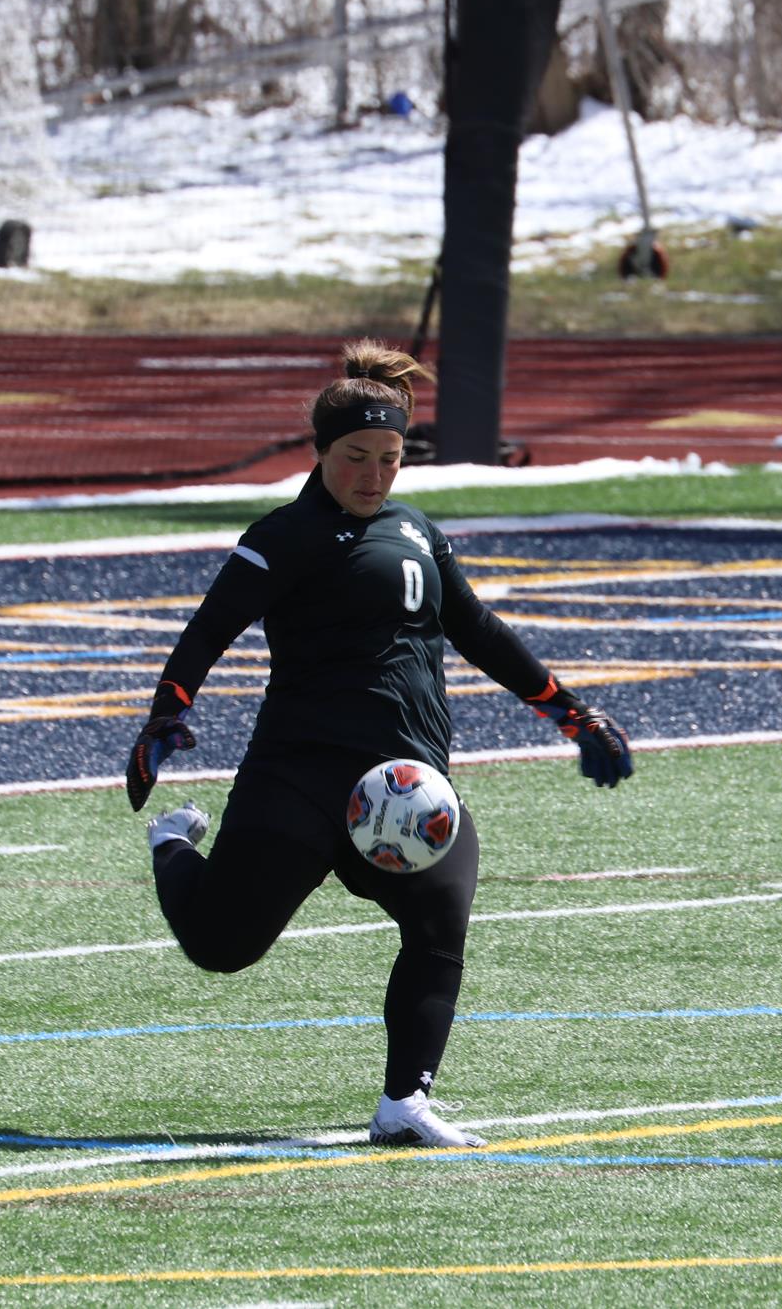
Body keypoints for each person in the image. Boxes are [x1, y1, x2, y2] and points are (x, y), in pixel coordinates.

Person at [125, 339, 633, 1149]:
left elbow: (477, 629)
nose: (373, 474)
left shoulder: (419, 533)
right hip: (300, 775)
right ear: (321, 453)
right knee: (222, 948)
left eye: (391, 459)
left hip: (407, 781)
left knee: (441, 917)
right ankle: (172, 846)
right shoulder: (283, 536)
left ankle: (404, 1102)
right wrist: (164, 715)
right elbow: (207, 632)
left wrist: (570, 712)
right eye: (356, 456)